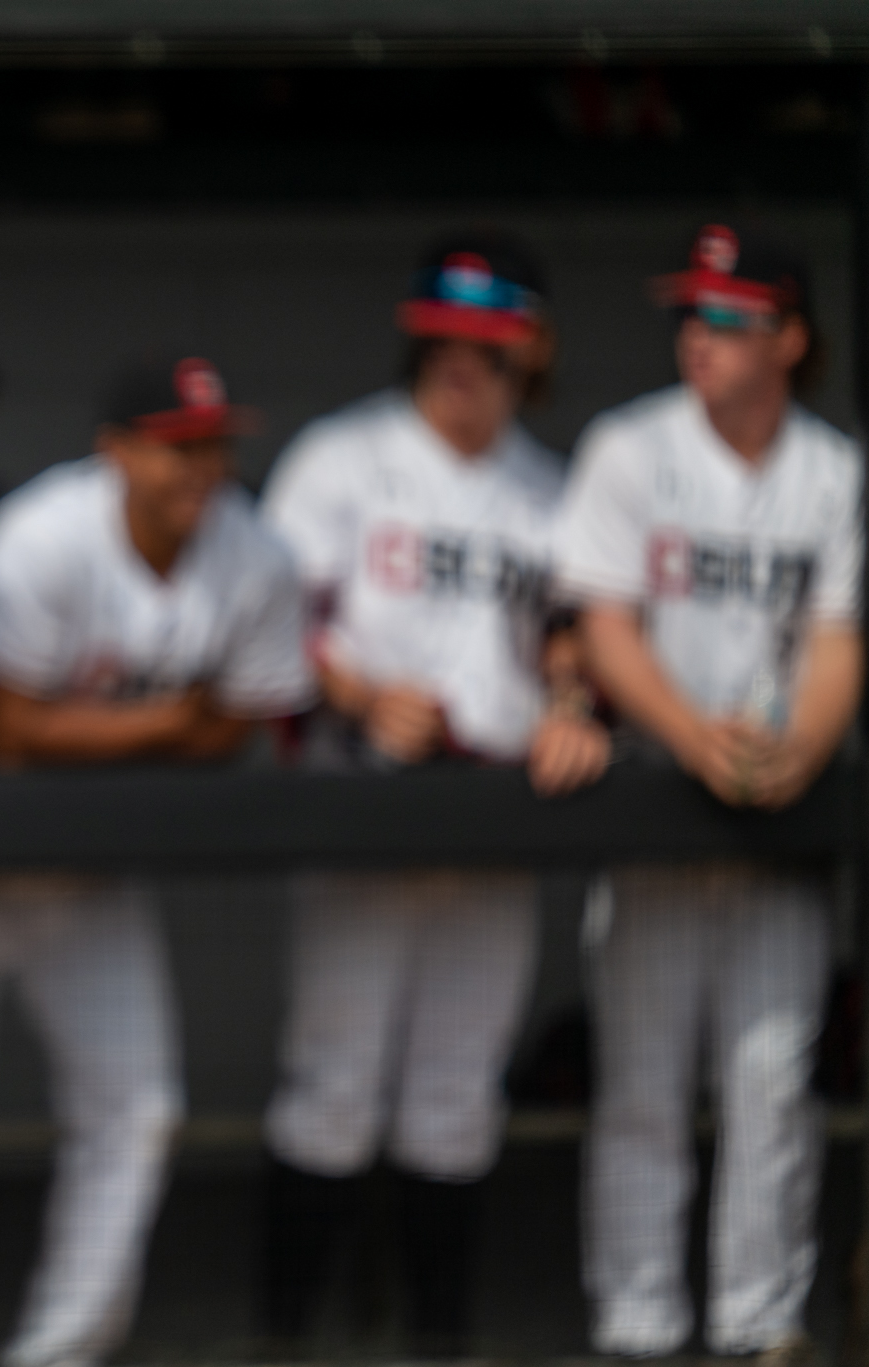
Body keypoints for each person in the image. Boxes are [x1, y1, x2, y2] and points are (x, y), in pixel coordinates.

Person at [0, 358, 314, 1367]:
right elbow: (3, 731)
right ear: (116, 448)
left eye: (212, 443)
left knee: (136, 1111)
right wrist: (170, 716)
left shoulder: (251, 552)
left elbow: (241, 726)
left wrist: (101, 726)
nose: (198, 466)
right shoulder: (44, 534)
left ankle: (64, 1346)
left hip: (92, 875)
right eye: (176, 445)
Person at [256, 230, 610, 1356]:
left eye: (487, 343)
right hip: (362, 801)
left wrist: (571, 705)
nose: (460, 360)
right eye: (444, 338)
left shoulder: (549, 487)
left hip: (491, 812)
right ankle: (283, 1340)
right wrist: (356, 693)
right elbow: (272, 619)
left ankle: (435, 1342)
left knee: (456, 1095)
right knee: (333, 1082)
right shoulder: (343, 455)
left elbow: (571, 637)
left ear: (530, 351)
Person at [554, 223, 862, 1362]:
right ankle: (636, 1326)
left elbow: (836, 640)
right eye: (688, 313)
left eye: (726, 317)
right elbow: (600, 626)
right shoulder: (631, 447)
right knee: (640, 1086)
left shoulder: (831, 470)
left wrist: (793, 747)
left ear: (786, 337)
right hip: (651, 808)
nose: (698, 335)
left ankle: (758, 1323)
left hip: (777, 821)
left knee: (771, 1086)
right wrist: (696, 740)